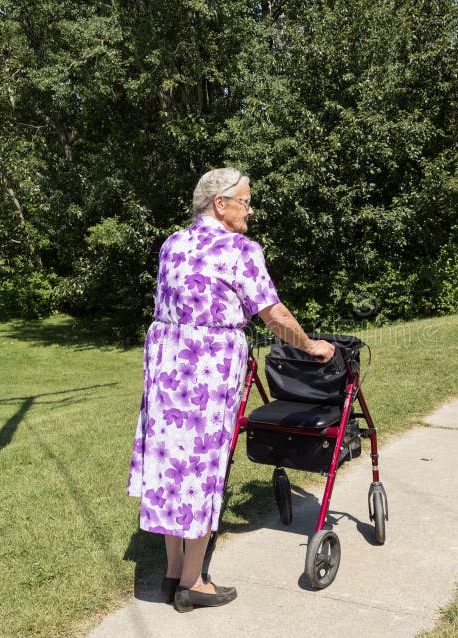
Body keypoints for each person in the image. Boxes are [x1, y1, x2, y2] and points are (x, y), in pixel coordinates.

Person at [127, 167, 334, 612]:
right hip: (207, 364)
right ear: (220, 203)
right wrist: (312, 345)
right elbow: (272, 314)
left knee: (169, 461)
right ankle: (192, 583)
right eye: (245, 200)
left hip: (165, 359)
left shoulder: (173, 243)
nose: (250, 209)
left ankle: (171, 573)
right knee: (203, 464)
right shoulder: (239, 249)